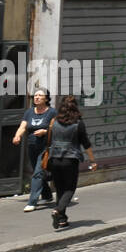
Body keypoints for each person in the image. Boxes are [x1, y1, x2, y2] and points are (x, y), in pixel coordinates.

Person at [45, 95, 97, 231]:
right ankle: (58, 210)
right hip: (70, 159)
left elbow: (48, 139)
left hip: (55, 159)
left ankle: (62, 220)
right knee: (70, 188)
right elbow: (86, 143)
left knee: (60, 189)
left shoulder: (54, 121)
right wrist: (92, 160)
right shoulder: (78, 123)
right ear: (75, 107)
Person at [12, 88, 54, 212]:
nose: (36, 98)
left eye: (40, 96)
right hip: (32, 147)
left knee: (37, 173)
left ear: (46, 98)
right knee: (38, 172)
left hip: (45, 147)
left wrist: (45, 132)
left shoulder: (52, 112)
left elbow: (56, 128)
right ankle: (47, 195)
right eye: (35, 96)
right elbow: (23, 126)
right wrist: (17, 135)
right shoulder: (29, 112)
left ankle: (32, 202)